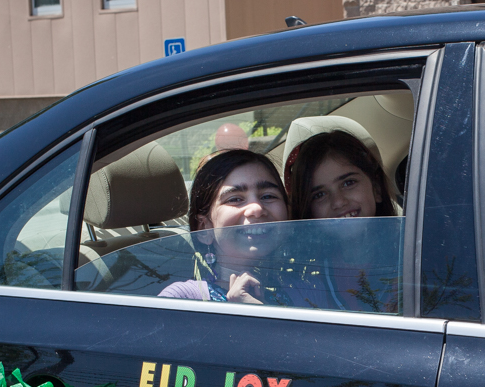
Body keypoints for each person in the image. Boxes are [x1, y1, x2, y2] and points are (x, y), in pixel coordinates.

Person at [282, 130, 401, 312]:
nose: (338, 202)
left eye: (348, 183)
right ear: (309, 213)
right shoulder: (306, 278)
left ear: (376, 188)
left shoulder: (414, 258)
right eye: (319, 194)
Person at [159, 150, 291, 304]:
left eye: (268, 196)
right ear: (204, 229)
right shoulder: (181, 299)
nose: (257, 209)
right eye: (235, 199)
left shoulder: (305, 288)